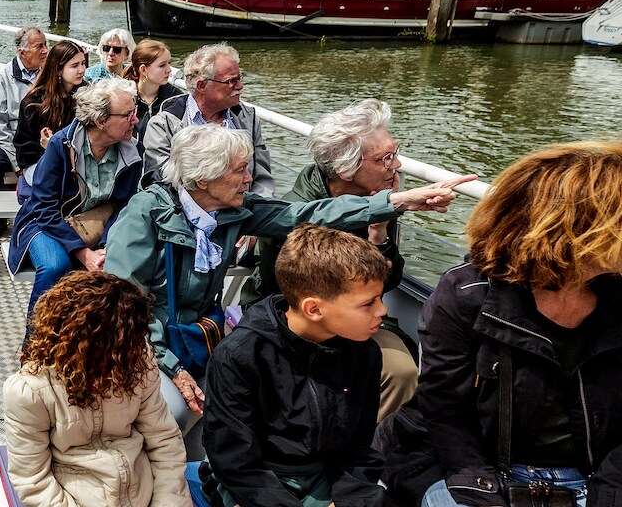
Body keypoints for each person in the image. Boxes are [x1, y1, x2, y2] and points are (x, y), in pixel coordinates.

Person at [105, 125, 472, 451]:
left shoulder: (234, 209)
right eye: (239, 171)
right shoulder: (145, 215)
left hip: (198, 333)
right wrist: (173, 369)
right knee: (172, 408)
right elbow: (123, 308)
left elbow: (307, 215)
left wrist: (397, 202)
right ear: (203, 180)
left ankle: (218, 465)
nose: (249, 179)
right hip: (143, 341)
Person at [378, 139, 622, 507]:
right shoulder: (468, 294)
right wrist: (481, 490)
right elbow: (444, 411)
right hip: (471, 470)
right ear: (580, 230)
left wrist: (615, 494)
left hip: (595, 477)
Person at [252, 98, 418, 420]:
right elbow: (285, 297)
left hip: (360, 318)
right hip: (301, 326)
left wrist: (378, 235)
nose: (395, 166)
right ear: (345, 170)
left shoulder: (377, 199)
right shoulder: (293, 217)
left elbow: (390, 281)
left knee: (402, 371)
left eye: (395, 153)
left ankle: (374, 454)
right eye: (385, 158)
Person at [201, 225, 391, 507]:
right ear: (313, 309)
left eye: (381, 298)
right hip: (255, 479)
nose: (382, 311)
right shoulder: (239, 355)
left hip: (325, 473)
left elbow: (359, 447)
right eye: (368, 303)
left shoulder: (364, 352)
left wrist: (349, 500)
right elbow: (234, 460)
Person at [4, 271, 190, 507]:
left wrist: (168, 503)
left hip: (143, 490)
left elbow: (165, 442)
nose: (138, 349)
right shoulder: (30, 391)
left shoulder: (138, 362)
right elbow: (33, 480)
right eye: (124, 346)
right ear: (93, 346)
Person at [6, 77, 143, 328]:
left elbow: (124, 207)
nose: (135, 120)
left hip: (98, 229)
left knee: (124, 269)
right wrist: (84, 254)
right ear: (101, 121)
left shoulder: (132, 150)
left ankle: (92, 348)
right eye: (128, 114)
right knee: (55, 265)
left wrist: (103, 249)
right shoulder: (61, 145)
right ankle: (36, 345)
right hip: (46, 224)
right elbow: (43, 208)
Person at [142, 42, 274, 196]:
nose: (240, 86)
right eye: (231, 81)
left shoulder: (247, 119)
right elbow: (162, 185)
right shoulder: (164, 126)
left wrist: (255, 210)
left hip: (245, 211)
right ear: (202, 86)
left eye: (239, 78)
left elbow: (263, 180)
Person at [0, 26, 47, 216]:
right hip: (10, 140)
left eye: (46, 45)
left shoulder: (50, 76)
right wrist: (18, 163)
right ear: (22, 52)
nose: (45, 50)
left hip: (40, 140)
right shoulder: (1, 79)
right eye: (39, 46)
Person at [13, 39, 88, 176]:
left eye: (83, 63)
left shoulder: (87, 96)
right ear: (58, 70)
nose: (81, 70)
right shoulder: (33, 102)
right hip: (39, 163)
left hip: (77, 162)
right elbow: (23, 150)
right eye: (74, 65)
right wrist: (46, 148)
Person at [123, 39, 181, 145]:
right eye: (162, 65)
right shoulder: (123, 97)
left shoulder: (176, 98)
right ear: (144, 70)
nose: (169, 70)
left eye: (169, 63)